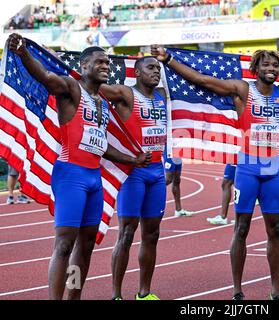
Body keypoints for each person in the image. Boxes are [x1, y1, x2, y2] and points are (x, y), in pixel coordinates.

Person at [151, 45, 279, 300]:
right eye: (266, 65)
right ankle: (237, 290)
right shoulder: (242, 89)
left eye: (275, 66)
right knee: (241, 228)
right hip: (248, 168)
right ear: (256, 68)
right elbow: (202, 80)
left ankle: (275, 291)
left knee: (276, 229)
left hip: (273, 170)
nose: (271, 69)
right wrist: (169, 59)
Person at [7, 33, 151, 300]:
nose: (106, 67)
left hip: (94, 179)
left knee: (85, 247)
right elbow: (46, 78)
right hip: (71, 174)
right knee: (64, 245)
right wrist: (24, 53)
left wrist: (132, 160)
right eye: (99, 63)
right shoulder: (72, 89)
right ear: (84, 67)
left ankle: (74, 298)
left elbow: (101, 145)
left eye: (108, 63)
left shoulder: (103, 104)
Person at [99, 56, 168, 300]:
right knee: (127, 233)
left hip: (157, 172)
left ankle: (144, 293)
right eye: (150, 67)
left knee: (152, 234)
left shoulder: (161, 97)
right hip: (133, 173)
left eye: (158, 68)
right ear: (137, 72)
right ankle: (116, 295)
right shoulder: (126, 94)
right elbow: (91, 85)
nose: (156, 72)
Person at [163, 149, 193, 217]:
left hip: (178, 152)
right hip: (169, 152)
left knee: (177, 180)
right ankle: (150, 193)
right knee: (168, 179)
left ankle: (178, 210)